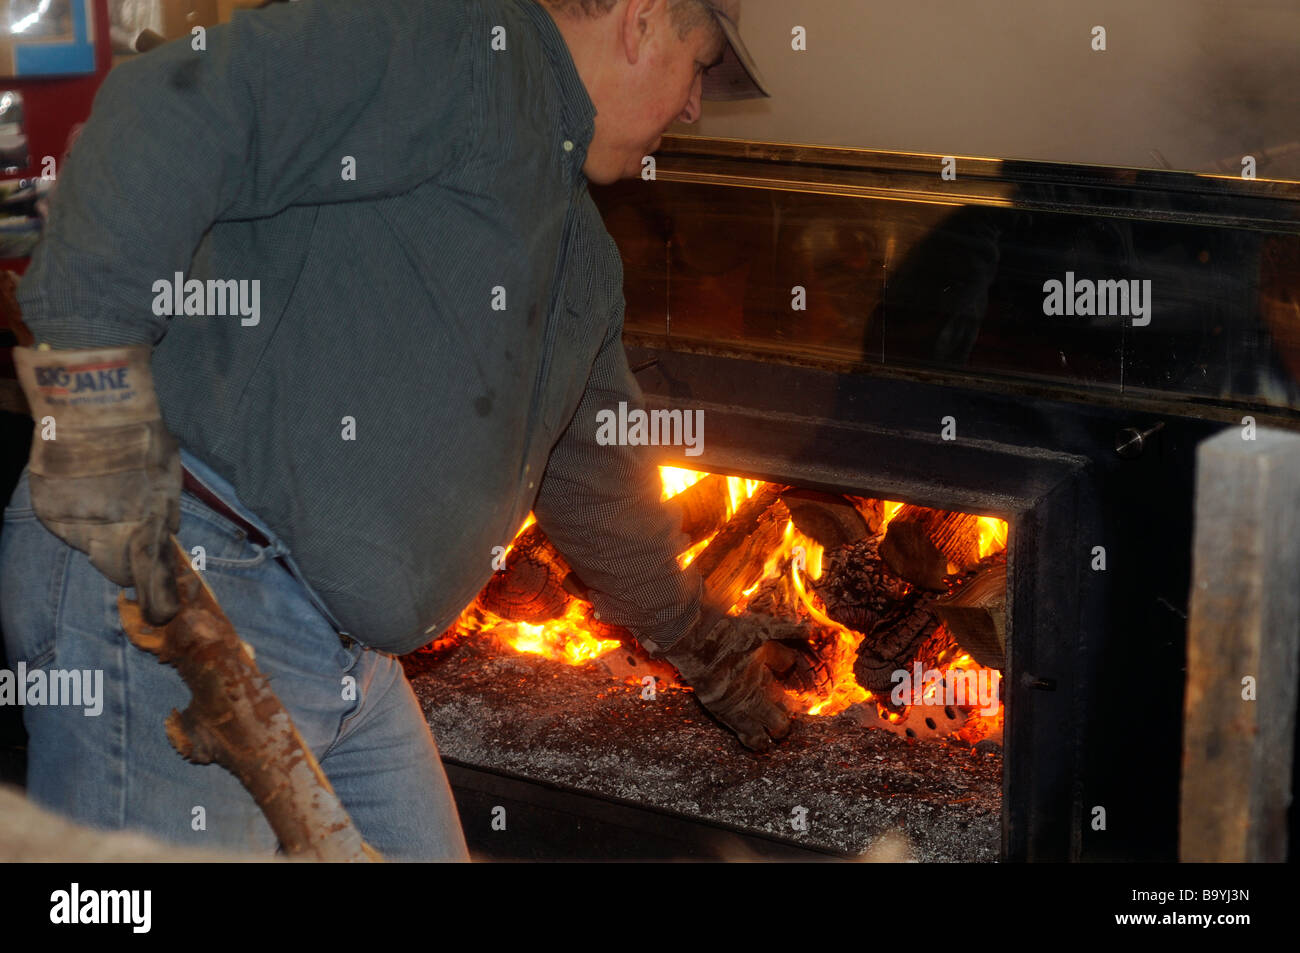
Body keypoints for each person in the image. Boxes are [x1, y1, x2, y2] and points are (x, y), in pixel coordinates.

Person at [1, 0, 793, 861]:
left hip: (345, 653)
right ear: (641, 21)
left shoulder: (580, 259)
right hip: (182, 581)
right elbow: (175, 99)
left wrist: (698, 639)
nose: (692, 108)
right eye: (700, 64)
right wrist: (90, 389)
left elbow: (596, 479)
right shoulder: (457, 44)